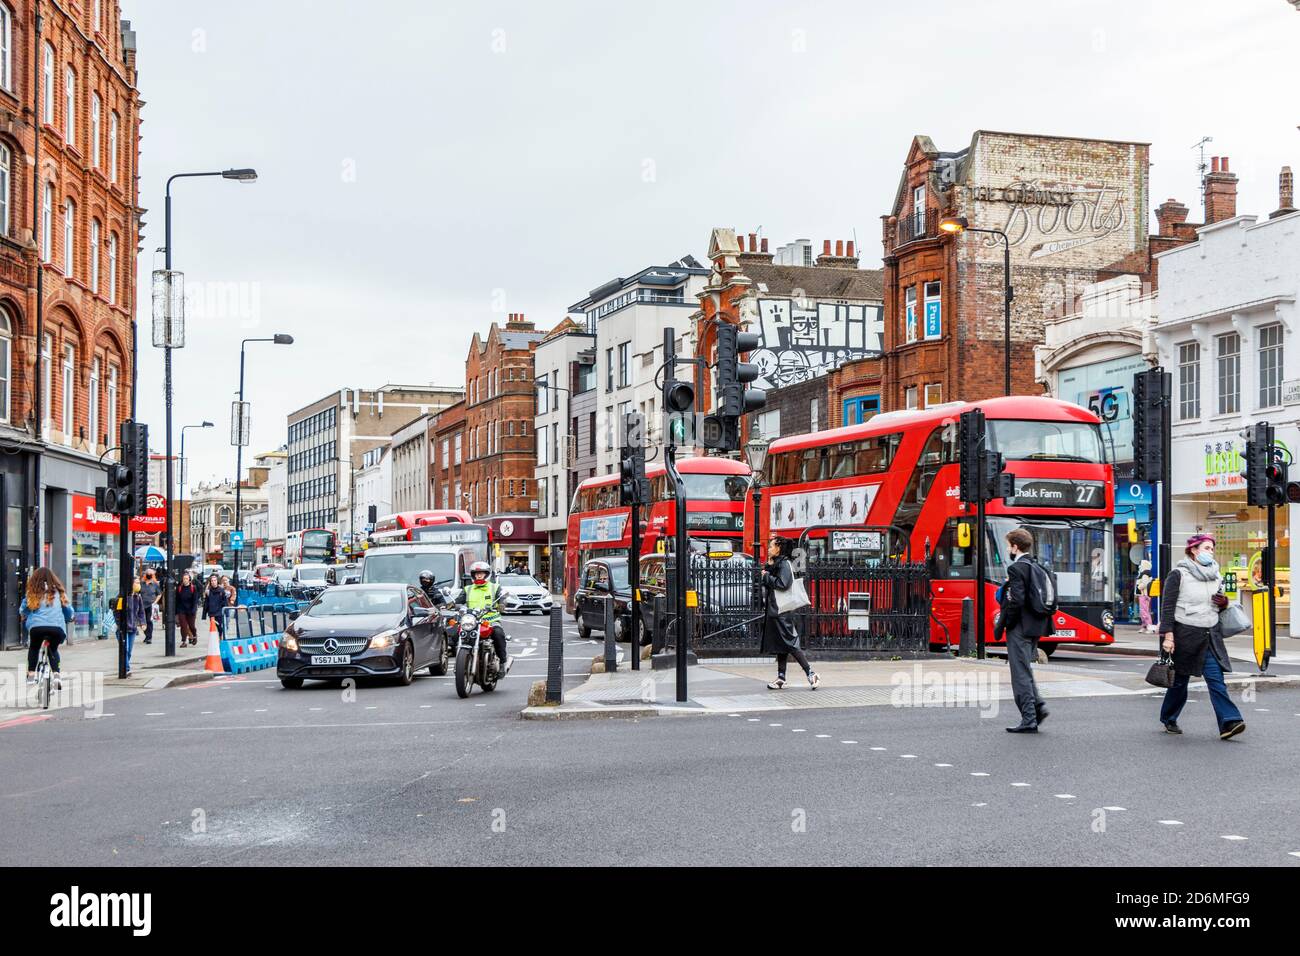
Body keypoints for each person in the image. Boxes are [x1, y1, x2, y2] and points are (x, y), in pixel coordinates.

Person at [1158, 534, 1244, 739]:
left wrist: (1223, 602)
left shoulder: (1216, 575)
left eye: (1212, 549)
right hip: (1184, 635)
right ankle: (1169, 717)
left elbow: (1220, 604)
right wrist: (1168, 636)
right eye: (1206, 548)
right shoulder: (1178, 574)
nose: (1210, 552)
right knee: (1179, 683)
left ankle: (1229, 722)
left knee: (1216, 680)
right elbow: (1167, 608)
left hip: (1210, 635)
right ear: (1194, 550)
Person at [999, 527, 1051, 733]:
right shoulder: (1036, 565)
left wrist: (1007, 623)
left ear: (1015, 546)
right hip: (1035, 626)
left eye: (1008, 546)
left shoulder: (1017, 568)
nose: (1008, 549)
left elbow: (1017, 601)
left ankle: (1029, 718)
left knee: (1019, 672)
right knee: (1026, 669)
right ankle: (1037, 707)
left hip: (1020, 627)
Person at [761, 535, 819, 690]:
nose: (769, 549)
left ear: (779, 548)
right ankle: (781, 677)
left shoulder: (785, 564)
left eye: (771, 546)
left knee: (791, 643)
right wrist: (768, 570)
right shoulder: (776, 563)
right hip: (776, 610)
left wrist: (766, 576)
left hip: (782, 611)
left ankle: (811, 673)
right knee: (782, 645)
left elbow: (783, 584)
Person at [22, 567, 74, 688]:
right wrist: (69, 617)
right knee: (53, 649)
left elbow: (23, 609)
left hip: (37, 628)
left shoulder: (32, 592)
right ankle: (56, 675)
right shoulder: (59, 592)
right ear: (53, 579)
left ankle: (31, 675)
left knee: (34, 648)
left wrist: (24, 615)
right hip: (56, 629)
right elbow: (68, 610)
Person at [463, 561, 510, 677]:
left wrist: (502, 605)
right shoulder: (468, 589)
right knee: (457, 633)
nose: (479, 575)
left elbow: (502, 598)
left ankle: (503, 662)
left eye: (481, 573)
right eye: (476, 573)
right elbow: (458, 602)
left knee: (498, 634)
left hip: (491, 620)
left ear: (486, 574)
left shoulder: (495, 587)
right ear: (473, 575)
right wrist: (450, 605)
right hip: (472, 621)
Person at [117, 575, 147, 677]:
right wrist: (119, 624)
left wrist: (143, 623)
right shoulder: (123, 597)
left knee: (129, 651)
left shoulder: (138, 598)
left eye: (139, 583)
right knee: (125, 649)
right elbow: (116, 611)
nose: (138, 585)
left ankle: (125, 666)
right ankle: (126, 668)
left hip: (133, 628)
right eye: (136, 583)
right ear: (131, 584)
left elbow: (141, 612)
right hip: (123, 628)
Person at [175, 571, 200, 647]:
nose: (185, 580)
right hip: (181, 610)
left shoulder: (193, 588)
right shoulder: (179, 588)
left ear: (189, 580)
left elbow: (195, 600)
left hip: (191, 610)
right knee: (183, 626)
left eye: (186, 579)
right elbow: (177, 600)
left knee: (192, 626)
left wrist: (193, 609)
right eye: (184, 579)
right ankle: (184, 641)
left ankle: (194, 636)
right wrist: (176, 611)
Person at [203, 573, 229, 638]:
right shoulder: (208, 592)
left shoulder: (221, 590)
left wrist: (226, 613)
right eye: (212, 581)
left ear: (217, 581)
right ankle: (215, 640)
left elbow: (225, 602)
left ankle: (221, 637)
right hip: (211, 612)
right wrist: (204, 615)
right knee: (213, 628)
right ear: (210, 582)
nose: (213, 582)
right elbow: (206, 603)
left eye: (215, 580)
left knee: (220, 627)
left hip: (219, 612)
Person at [140, 569, 161, 644]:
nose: (149, 574)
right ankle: (147, 635)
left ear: (152, 575)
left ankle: (149, 637)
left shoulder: (155, 584)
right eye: (147, 573)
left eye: (150, 573)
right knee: (142, 621)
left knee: (149, 621)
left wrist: (155, 602)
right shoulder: (141, 583)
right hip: (142, 605)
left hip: (151, 605)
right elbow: (137, 592)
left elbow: (159, 594)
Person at [1135, 560, 1154, 633]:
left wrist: (1139, 586)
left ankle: (1150, 627)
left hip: (1144, 595)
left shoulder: (1145, 574)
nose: (1139, 566)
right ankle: (1144, 626)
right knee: (1143, 612)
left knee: (1145, 612)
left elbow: (1145, 583)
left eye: (1141, 565)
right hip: (1142, 595)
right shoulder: (1143, 574)